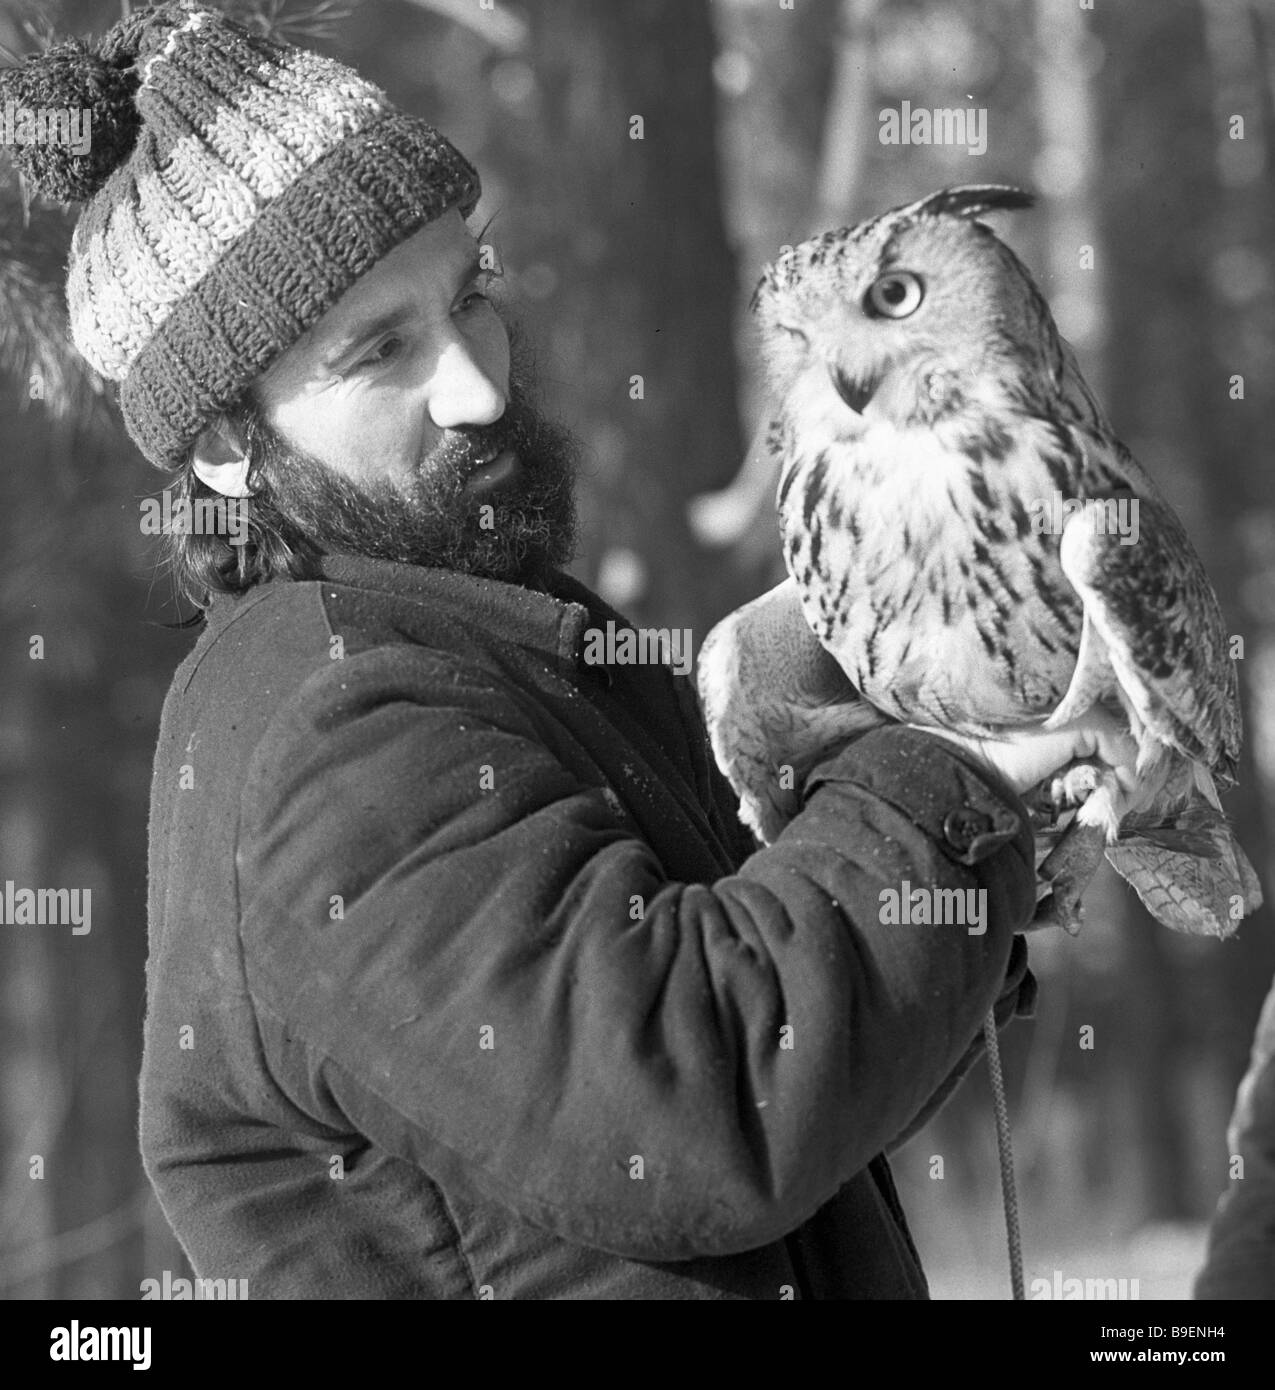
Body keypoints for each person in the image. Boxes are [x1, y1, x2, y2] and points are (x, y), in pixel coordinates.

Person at [0, 2, 1136, 1299]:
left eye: (467, 295)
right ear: (222, 444)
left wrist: (938, 925)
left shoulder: (477, 640)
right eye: (379, 351)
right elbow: (699, 1108)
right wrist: (941, 789)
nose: (476, 382)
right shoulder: (338, 736)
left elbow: (754, 1068)